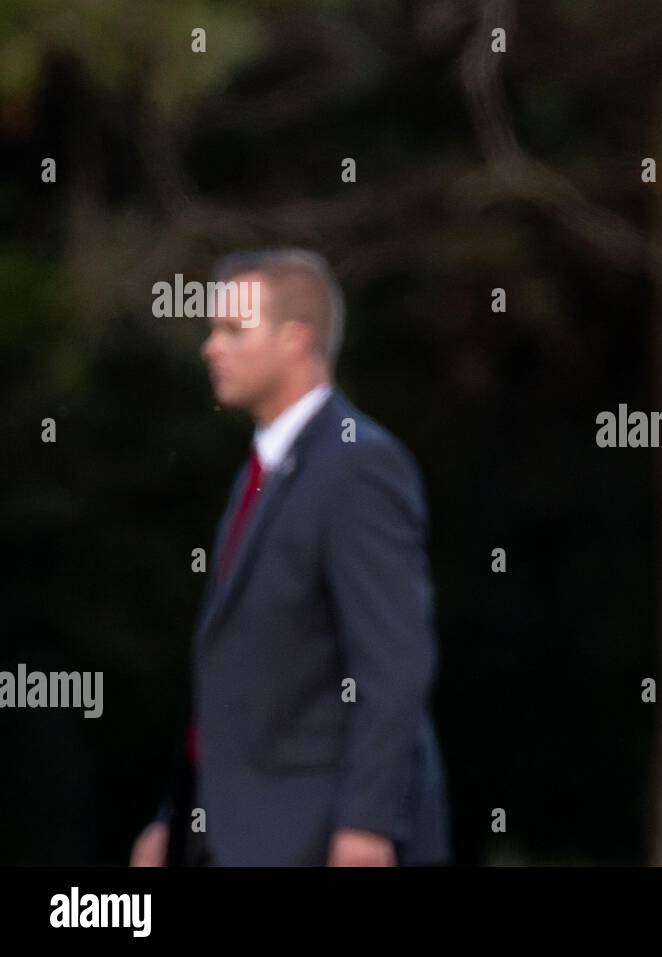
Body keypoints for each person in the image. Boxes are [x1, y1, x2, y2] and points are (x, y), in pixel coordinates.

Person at [130, 248, 451, 866]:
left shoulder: (358, 466)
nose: (211, 348)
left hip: (317, 834)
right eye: (210, 330)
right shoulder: (261, 474)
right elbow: (242, 672)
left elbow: (393, 662)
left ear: (296, 340)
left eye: (233, 330)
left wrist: (367, 825)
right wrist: (172, 820)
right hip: (234, 834)